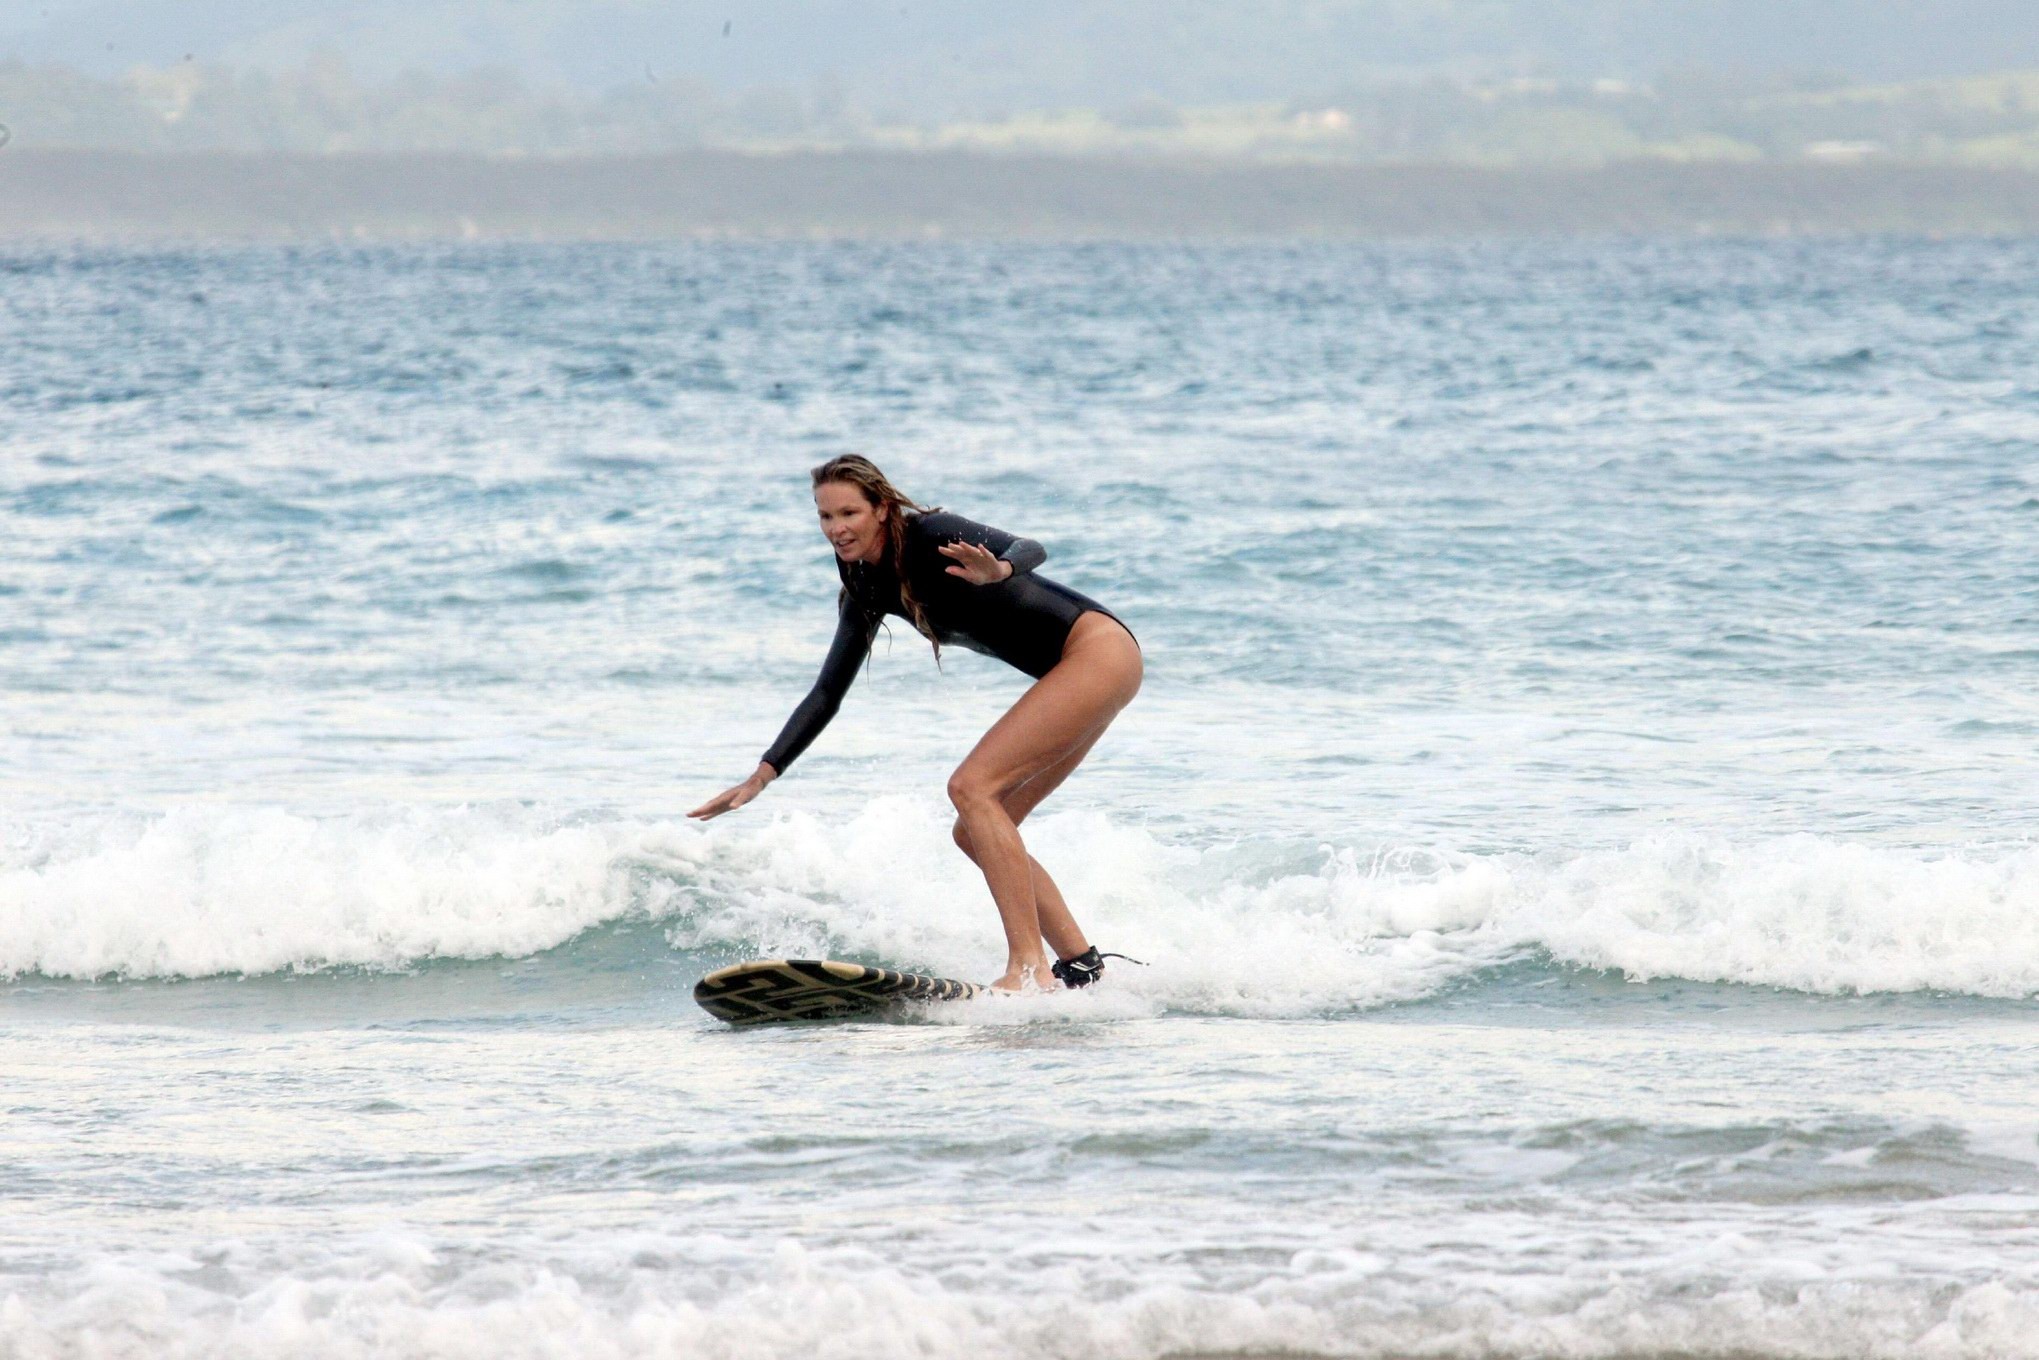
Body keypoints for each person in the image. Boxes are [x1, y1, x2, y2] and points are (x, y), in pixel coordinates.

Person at [690, 455, 1143, 992]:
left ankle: (1028, 968)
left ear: (882, 509)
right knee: (974, 829)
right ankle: (1080, 965)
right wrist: (762, 775)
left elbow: (1030, 548)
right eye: (824, 516)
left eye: (849, 513)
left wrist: (999, 570)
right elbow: (827, 692)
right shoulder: (868, 588)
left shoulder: (931, 534)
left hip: (1097, 652)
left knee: (971, 788)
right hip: (1088, 669)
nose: (836, 528)